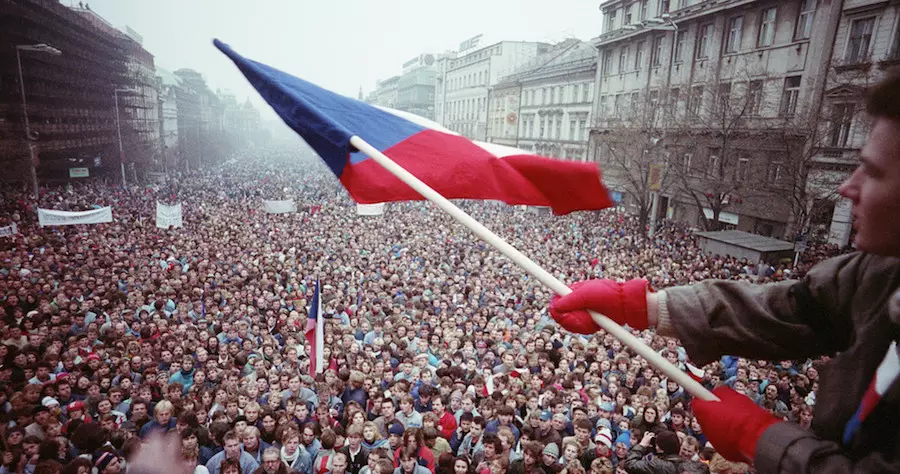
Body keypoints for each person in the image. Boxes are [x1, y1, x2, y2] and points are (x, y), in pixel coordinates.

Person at [548, 73, 900, 472]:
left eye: (872, 171)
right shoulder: (882, 272)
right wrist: (644, 307)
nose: (846, 187)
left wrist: (766, 443)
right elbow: (795, 308)